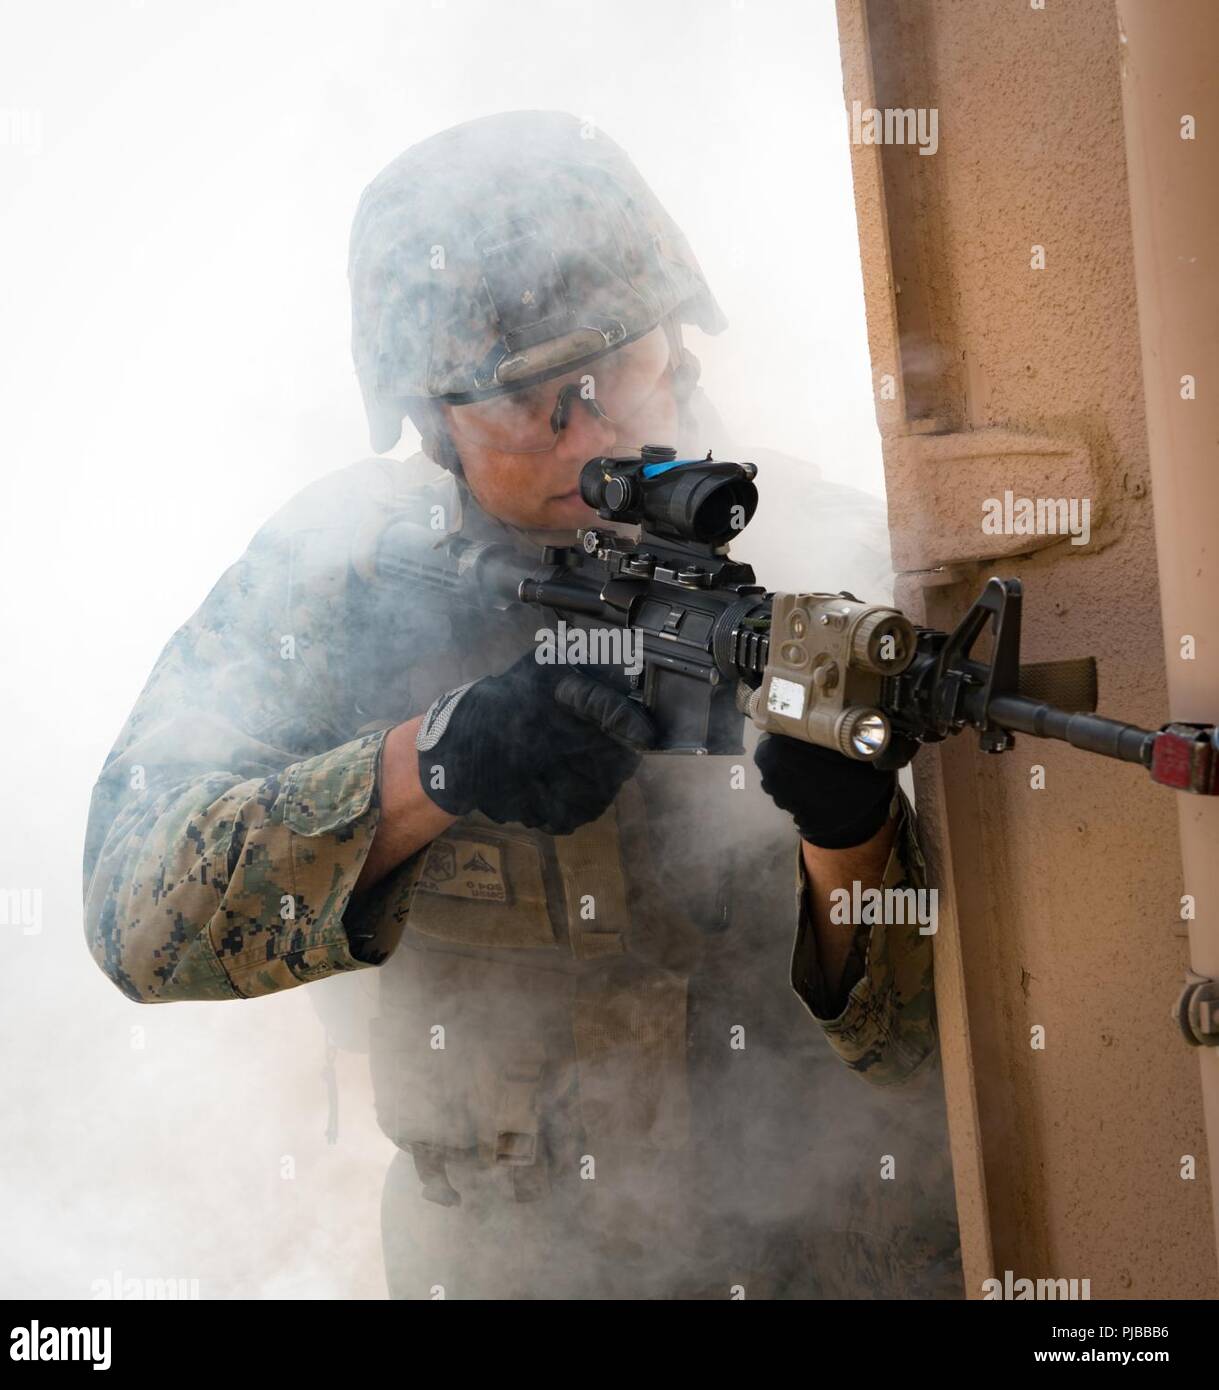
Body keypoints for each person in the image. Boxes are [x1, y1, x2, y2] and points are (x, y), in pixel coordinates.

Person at [83, 110, 961, 1299]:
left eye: (621, 370)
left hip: (830, 1257)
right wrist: (430, 769)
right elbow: (135, 914)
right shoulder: (341, 580)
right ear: (427, 420)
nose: (592, 435)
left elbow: (947, 1047)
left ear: (682, 347)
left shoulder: (832, 568)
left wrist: (847, 836)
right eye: (524, 403)